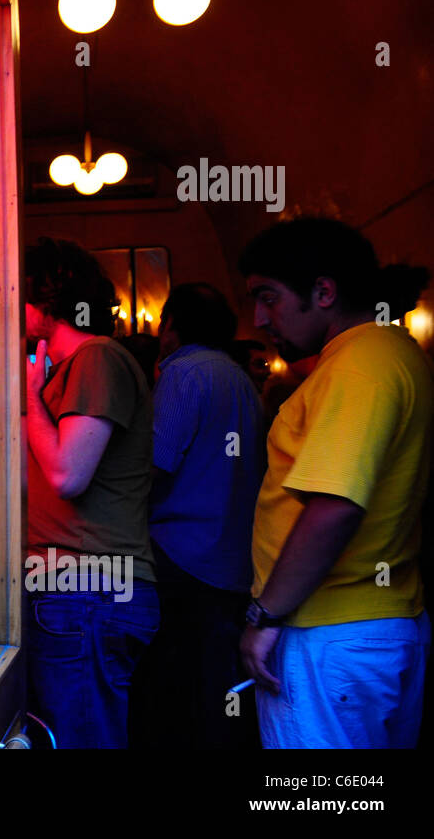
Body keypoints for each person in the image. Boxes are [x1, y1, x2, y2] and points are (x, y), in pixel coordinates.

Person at [237, 217, 432, 748]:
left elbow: (334, 507)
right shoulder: (383, 354)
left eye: (268, 297)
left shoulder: (358, 365)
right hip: (365, 623)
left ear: (324, 291)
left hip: (328, 631)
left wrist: (265, 615)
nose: (258, 317)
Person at [23, 237, 158, 749]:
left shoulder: (97, 356)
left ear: (45, 298)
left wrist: (31, 396)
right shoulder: (71, 368)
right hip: (78, 591)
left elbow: (67, 475)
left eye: (22, 292)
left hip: (88, 590)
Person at [132, 283, 264, 749]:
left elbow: (155, 461)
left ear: (170, 327)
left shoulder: (185, 374)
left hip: (184, 556)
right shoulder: (240, 378)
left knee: (172, 691)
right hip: (232, 557)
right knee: (216, 690)